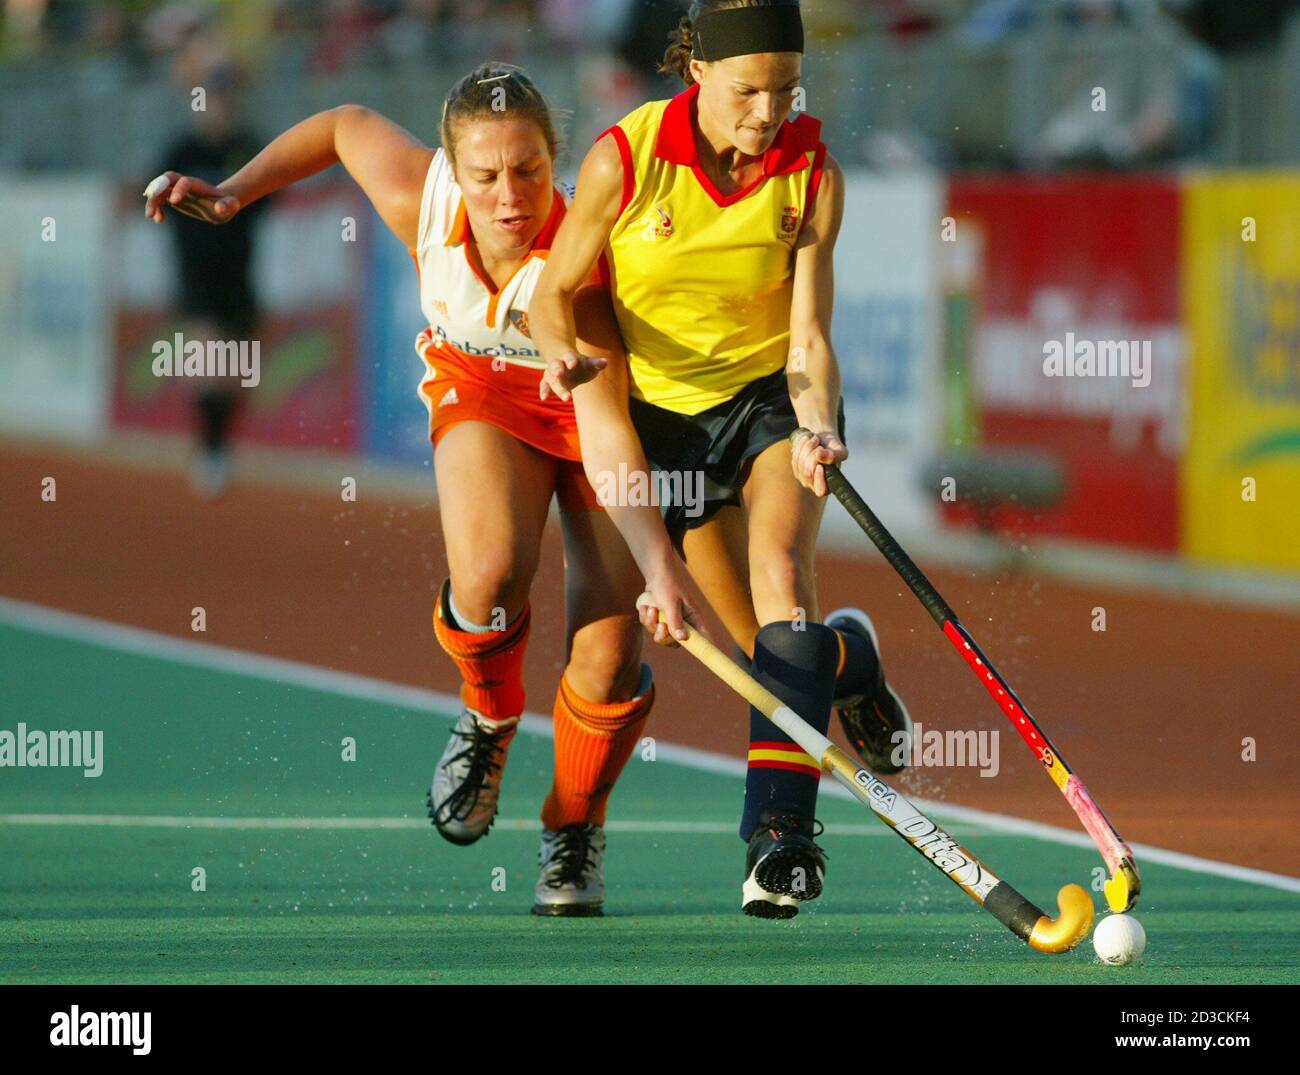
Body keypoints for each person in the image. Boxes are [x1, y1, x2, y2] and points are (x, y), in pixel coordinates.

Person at [145, 62, 653, 917]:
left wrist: (657, 566)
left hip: (598, 405)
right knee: (490, 570)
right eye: (485, 175)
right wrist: (235, 193)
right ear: (452, 170)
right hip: (484, 385)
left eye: (528, 169)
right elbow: (344, 122)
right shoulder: (425, 199)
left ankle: (574, 821)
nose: (508, 197)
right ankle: (489, 716)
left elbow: (607, 436)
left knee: (607, 650)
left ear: (555, 158)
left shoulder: (585, 253)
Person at [532, 0, 912, 918]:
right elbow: (555, 291)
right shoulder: (623, 161)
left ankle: (779, 840)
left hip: (771, 399)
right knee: (765, 652)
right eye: (748, 89)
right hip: (667, 422)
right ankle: (850, 661)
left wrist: (817, 420)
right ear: (695, 69)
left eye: (786, 88)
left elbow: (810, 335)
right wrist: (558, 350)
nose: (767, 109)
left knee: (783, 577)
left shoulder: (812, 170)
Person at [151, 60, 266, 497]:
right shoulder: (182, 151)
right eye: (212, 100)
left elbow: (270, 199)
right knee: (208, 357)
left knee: (234, 371)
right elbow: (154, 194)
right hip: (197, 274)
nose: (220, 108)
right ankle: (210, 449)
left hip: (240, 273)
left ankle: (219, 444)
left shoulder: (248, 147)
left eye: (226, 99)